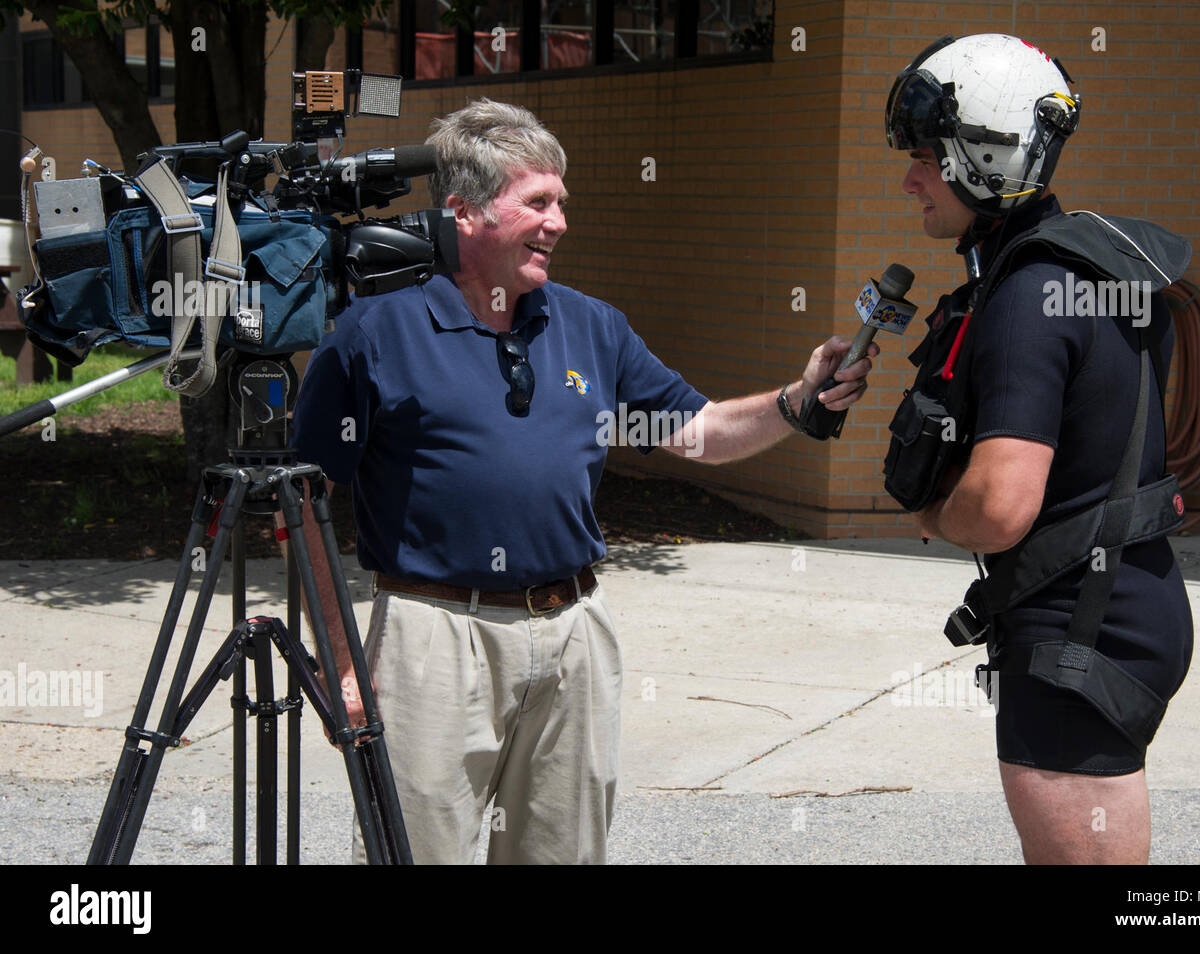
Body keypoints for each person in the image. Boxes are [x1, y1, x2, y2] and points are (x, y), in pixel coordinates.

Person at [290, 98, 877, 864]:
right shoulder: (374, 331)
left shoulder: (592, 325)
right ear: (465, 212)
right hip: (432, 637)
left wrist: (796, 403)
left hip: (572, 634)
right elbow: (302, 501)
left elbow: (698, 432)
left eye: (562, 201)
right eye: (538, 202)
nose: (559, 221)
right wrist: (340, 662)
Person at [884, 34, 1194, 864]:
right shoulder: (1095, 266)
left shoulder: (1025, 293)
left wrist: (928, 513)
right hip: (1125, 603)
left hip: (1077, 631)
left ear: (979, 156)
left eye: (923, 155)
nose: (910, 177)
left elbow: (999, 507)